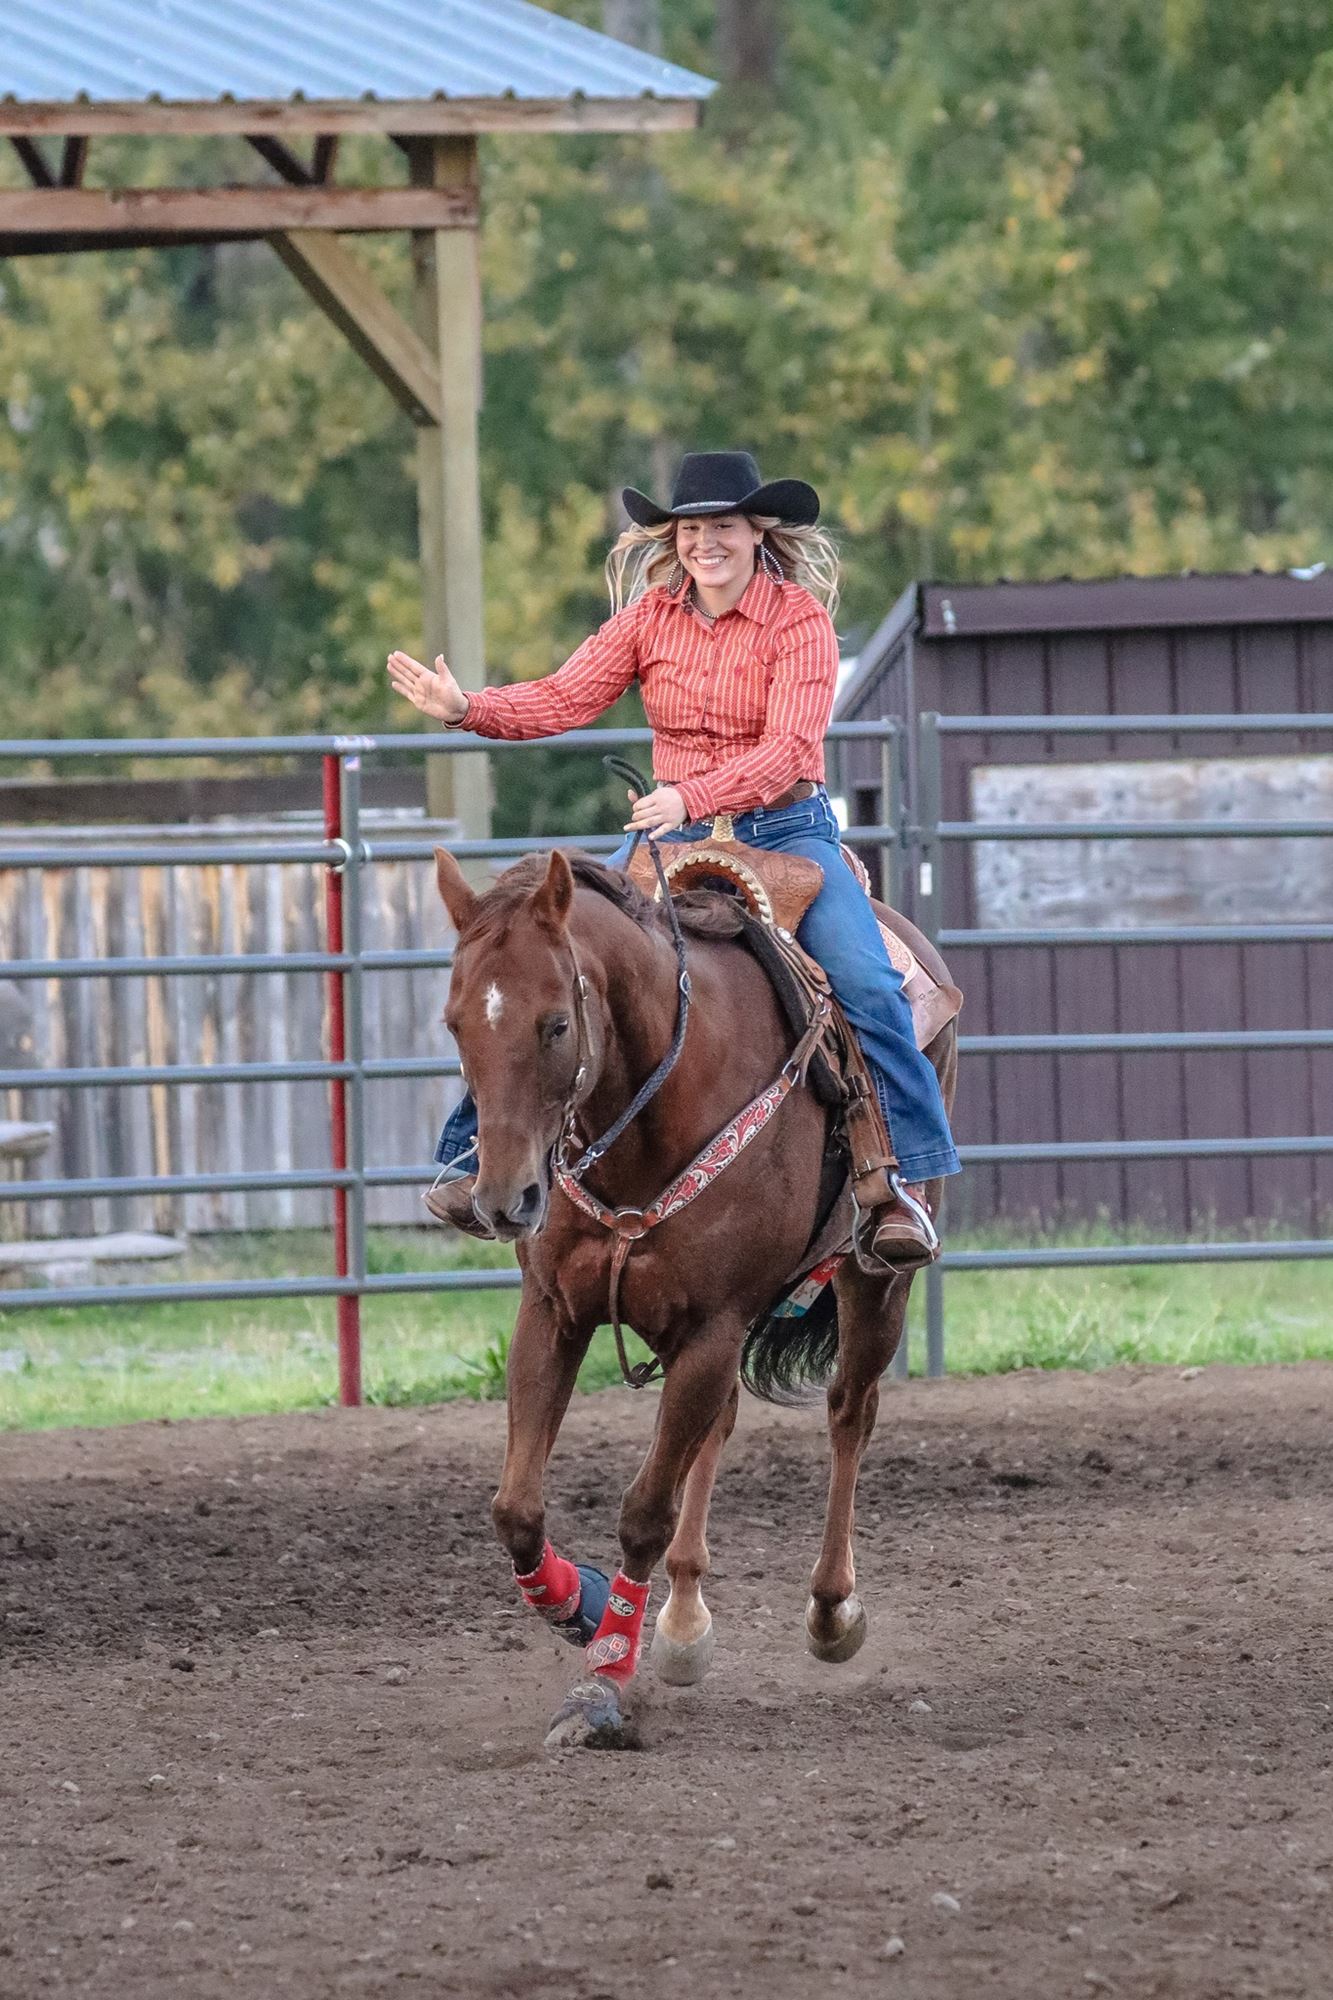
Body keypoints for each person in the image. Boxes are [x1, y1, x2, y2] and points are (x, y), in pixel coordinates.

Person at [386, 450, 960, 1269]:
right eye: (690, 530)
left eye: (721, 526)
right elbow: (565, 695)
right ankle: (473, 1152)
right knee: (537, 962)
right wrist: (467, 707)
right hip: (670, 836)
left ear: (756, 531)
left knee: (866, 981)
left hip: (783, 830)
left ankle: (896, 1181)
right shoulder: (649, 620)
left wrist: (691, 797)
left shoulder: (797, 621)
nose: (704, 543)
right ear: (673, 539)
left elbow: (789, 746)